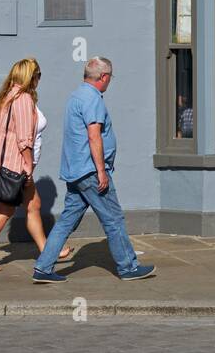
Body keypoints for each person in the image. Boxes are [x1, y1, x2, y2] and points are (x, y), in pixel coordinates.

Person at [33, 57, 155, 283]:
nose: (110, 81)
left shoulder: (76, 96)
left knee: (67, 220)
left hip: (75, 171)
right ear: (104, 77)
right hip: (90, 172)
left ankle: (43, 267)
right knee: (114, 219)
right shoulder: (92, 99)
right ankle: (128, 267)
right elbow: (94, 135)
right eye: (110, 77)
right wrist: (101, 171)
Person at [0, 59, 75, 272]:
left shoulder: (9, 96)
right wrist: (28, 165)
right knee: (4, 211)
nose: (39, 79)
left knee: (33, 205)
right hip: (18, 166)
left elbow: (0, 134)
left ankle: (48, 251)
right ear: (30, 76)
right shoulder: (23, 99)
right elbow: (24, 139)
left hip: (12, 164)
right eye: (38, 75)